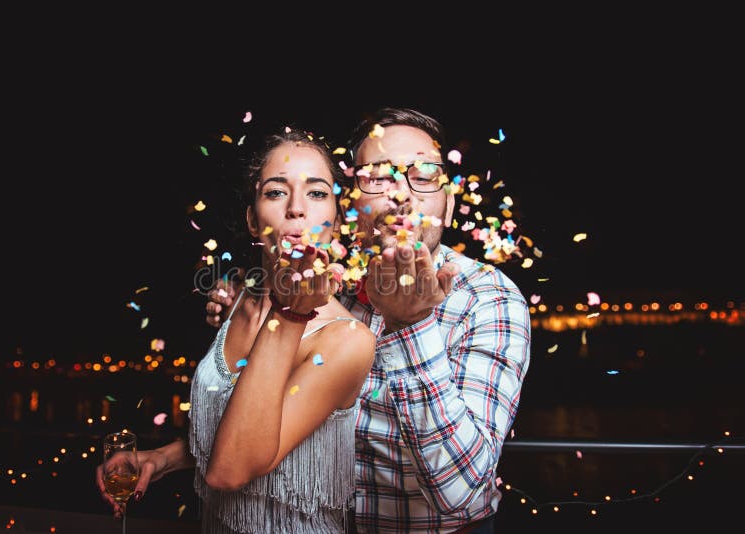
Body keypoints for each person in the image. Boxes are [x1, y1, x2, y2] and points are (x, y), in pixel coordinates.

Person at [207, 108, 531, 533]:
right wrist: (243, 297)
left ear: (450, 206)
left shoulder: (489, 298)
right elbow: (269, 418)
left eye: (425, 175)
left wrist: (410, 327)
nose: (401, 195)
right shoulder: (329, 287)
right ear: (351, 207)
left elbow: (461, 494)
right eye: (377, 176)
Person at [97, 127, 376, 533]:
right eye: (276, 192)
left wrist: (290, 314)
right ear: (252, 220)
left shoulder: (346, 340)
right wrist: (163, 458)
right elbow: (238, 426)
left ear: (336, 218)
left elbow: (229, 470)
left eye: (317, 193)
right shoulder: (240, 297)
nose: (296, 208)